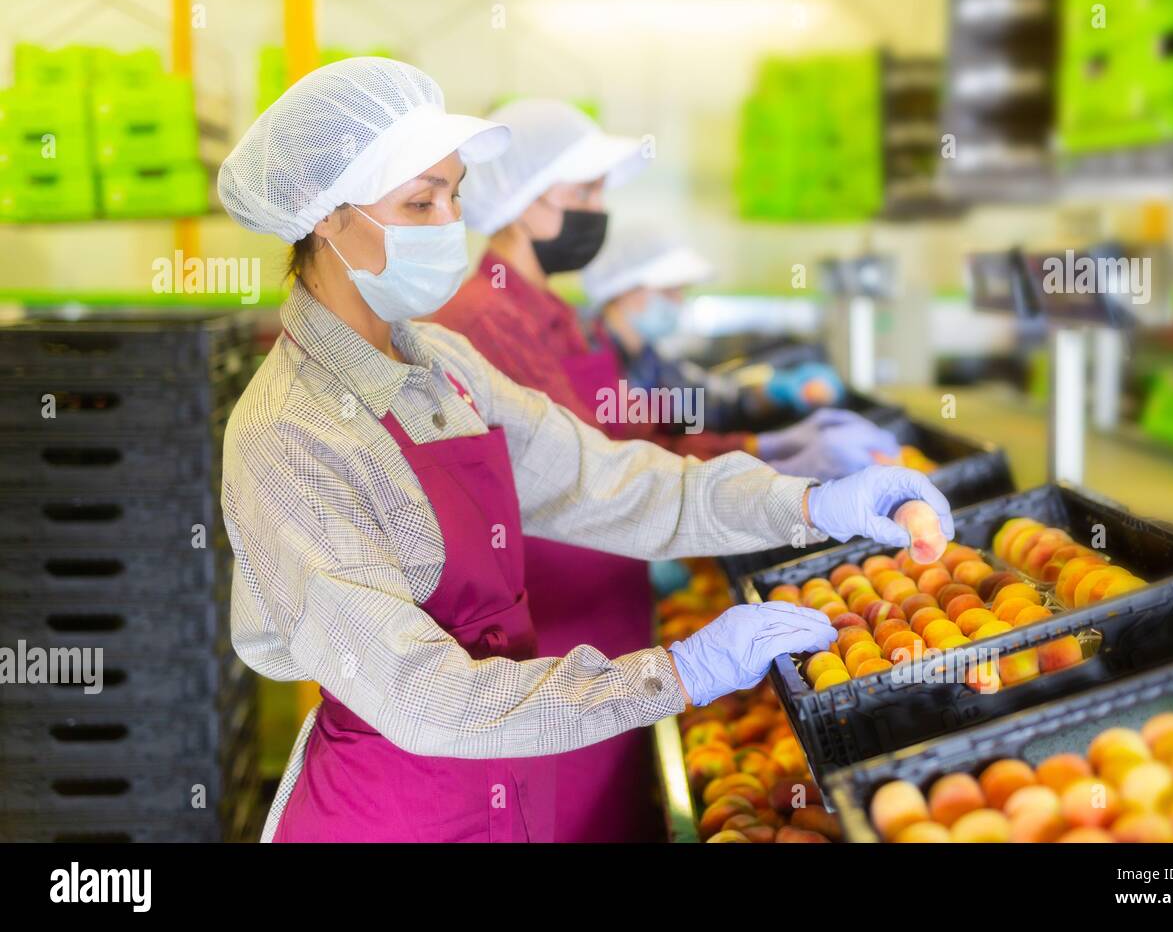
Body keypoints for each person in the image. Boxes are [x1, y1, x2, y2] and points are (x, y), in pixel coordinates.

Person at [216, 58, 953, 843]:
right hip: (396, 811)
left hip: (516, 779)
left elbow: (608, 480)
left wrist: (804, 503)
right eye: (420, 201)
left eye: (455, 195)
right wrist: (676, 674)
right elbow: (422, 698)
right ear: (326, 216)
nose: (448, 226)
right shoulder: (288, 434)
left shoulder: (440, 363)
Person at [434, 98, 897, 841]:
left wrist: (770, 460)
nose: (597, 211)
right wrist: (782, 488)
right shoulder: (481, 323)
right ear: (519, 200)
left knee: (607, 811)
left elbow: (633, 444)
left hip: (610, 616)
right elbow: (572, 483)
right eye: (580, 193)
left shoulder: (557, 320)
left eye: (599, 194)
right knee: (563, 815)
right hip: (554, 635)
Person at [581, 218, 877, 437]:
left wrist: (777, 389)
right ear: (628, 291)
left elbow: (707, 403)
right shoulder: (587, 356)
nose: (678, 303)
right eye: (670, 292)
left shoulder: (649, 362)